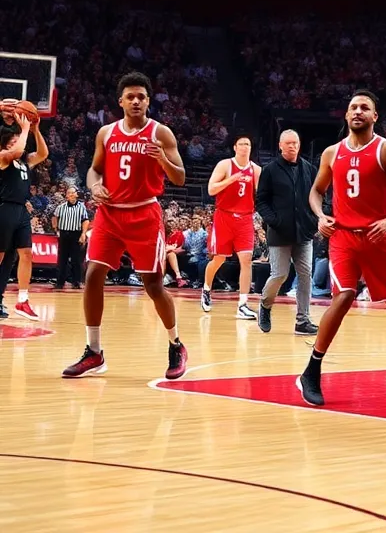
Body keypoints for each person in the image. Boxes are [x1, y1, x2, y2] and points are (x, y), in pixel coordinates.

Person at [296, 90, 386, 408]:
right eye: (353, 107)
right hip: (343, 237)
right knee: (344, 296)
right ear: (346, 115)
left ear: (374, 116)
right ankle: (311, 371)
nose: (358, 111)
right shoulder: (332, 153)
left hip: (378, 238)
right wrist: (320, 216)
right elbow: (316, 191)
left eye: (364, 107)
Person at [63, 72, 190, 379]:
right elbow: (94, 170)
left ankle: (176, 344)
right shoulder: (106, 133)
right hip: (110, 215)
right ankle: (94, 351)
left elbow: (180, 177)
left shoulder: (161, 133)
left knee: (153, 286)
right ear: (120, 101)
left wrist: (162, 159)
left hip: (144, 215)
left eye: (141, 97)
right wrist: (94, 186)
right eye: (130, 97)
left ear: (148, 102)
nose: (135, 101)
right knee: (93, 274)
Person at [254, 129, 319, 335]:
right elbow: (261, 201)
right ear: (280, 146)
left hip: (304, 232)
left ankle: (303, 320)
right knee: (279, 274)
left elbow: (318, 196)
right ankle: (265, 305)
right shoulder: (270, 170)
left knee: (305, 275)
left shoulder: (309, 169)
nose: (292, 146)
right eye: (288, 143)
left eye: (295, 143)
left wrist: (314, 220)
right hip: (279, 232)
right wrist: (273, 220)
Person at [203, 136, 261, 319]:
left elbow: (262, 194)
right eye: (242, 144)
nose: (245, 147)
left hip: (245, 218)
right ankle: (206, 289)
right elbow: (211, 189)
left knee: (246, 260)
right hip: (224, 217)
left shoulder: (256, 169)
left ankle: (242, 304)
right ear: (235, 147)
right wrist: (231, 179)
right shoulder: (225, 165)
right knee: (219, 259)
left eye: (248, 144)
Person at [0, 111, 49, 320]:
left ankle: (22, 300)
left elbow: (43, 154)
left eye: (17, 139)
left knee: (26, 254)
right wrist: (25, 129)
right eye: (12, 140)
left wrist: (36, 130)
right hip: (4, 207)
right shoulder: (3, 156)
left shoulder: (23, 161)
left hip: (21, 210)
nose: (17, 142)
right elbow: (17, 149)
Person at [52, 185, 90, 290]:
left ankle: (76, 282)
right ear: (66, 196)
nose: (72, 194)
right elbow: (54, 217)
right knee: (62, 259)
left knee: (76, 259)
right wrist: (56, 229)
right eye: (69, 193)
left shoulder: (81, 207)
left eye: (73, 192)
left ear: (77, 195)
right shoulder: (61, 207)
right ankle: (60, 282)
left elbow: (85, 220)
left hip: (76, 234)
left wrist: (83, 234)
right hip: (64, 234)